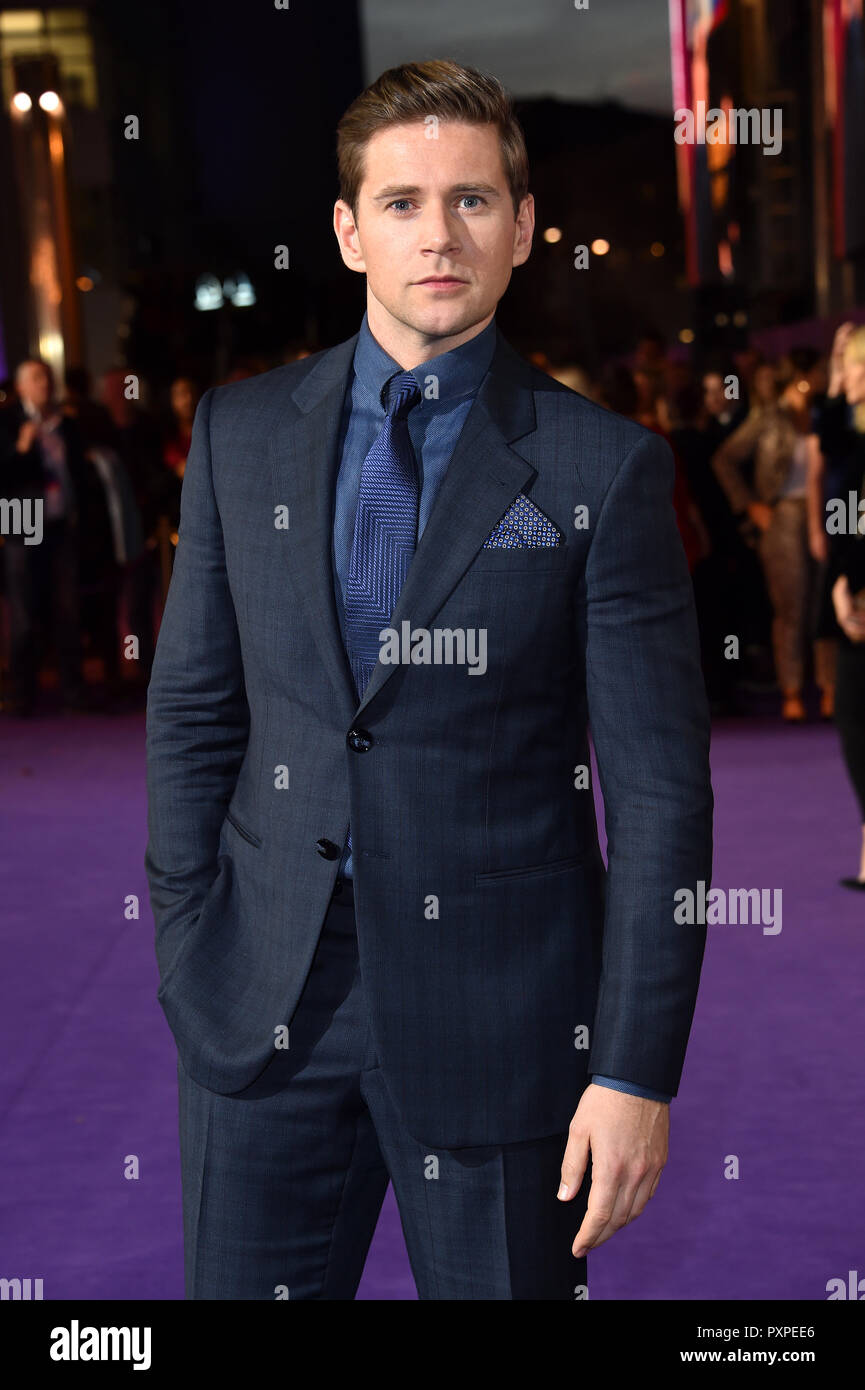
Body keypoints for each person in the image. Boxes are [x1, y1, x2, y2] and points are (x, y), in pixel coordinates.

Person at [145, 59, 713, 1301]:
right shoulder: (238, 436)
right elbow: (193, 708)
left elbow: (661, 797)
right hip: (262, 1009)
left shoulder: (600, 471)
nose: (438, 234)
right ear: (349, 232)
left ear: (518, 228)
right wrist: (188, 936)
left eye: (470, 200)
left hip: (507, 1029)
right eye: (401, 202)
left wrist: (632, 1070)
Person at [711, 352, 834, 721]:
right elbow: (724, 459)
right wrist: (750, 505)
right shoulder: (768, 418)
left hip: (826, 512)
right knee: (791, 605)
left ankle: (831, 688)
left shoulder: (826, 415)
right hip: (782, 516)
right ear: (802, 376)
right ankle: (792, 689)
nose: (824, 379)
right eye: (819, 372)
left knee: (825, 601)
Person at [0, 359, 105, 714]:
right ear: (21, 387)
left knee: (67, 608)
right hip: (20, 517)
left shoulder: (66, 422)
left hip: (60, 521)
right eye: (35, 378)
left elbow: (81, 474)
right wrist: (22, 448)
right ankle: (22, 695)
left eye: (46, 376)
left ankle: (75, 692)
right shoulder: (7, 420)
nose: (44, 383)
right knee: (24, 613)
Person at [824, 325, 865, 888]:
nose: (845, 376)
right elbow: (828, 432)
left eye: (854, 365)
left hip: (858, 594)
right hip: (850, 590)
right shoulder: (852, 436)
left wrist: (851, 584)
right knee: (854, 720)